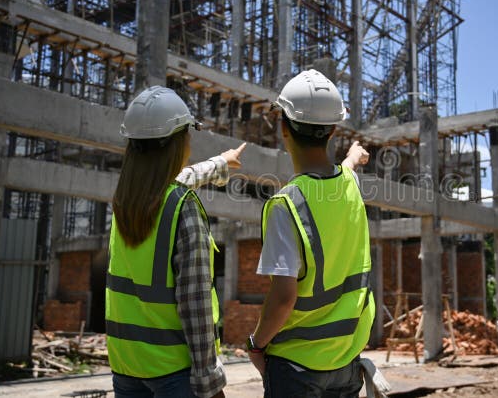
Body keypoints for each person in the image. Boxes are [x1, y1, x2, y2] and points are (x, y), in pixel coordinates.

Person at [106, 85, 243, 398]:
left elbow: (175, 178)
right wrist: (209, 381)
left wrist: (220, 163)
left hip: (127, 364)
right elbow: (195, 305)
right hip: (174, 372)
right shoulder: (182, 207)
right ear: (176, 144)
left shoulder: (125, 201)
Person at [246, 70, 375, 397]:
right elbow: (346, 171)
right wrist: (353, 156)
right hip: (346, 360)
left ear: (283, 128)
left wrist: (256, 344)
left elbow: (284, 297)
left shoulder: (286, 204)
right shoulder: (350, 187)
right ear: (332, 130)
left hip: (296, 366)